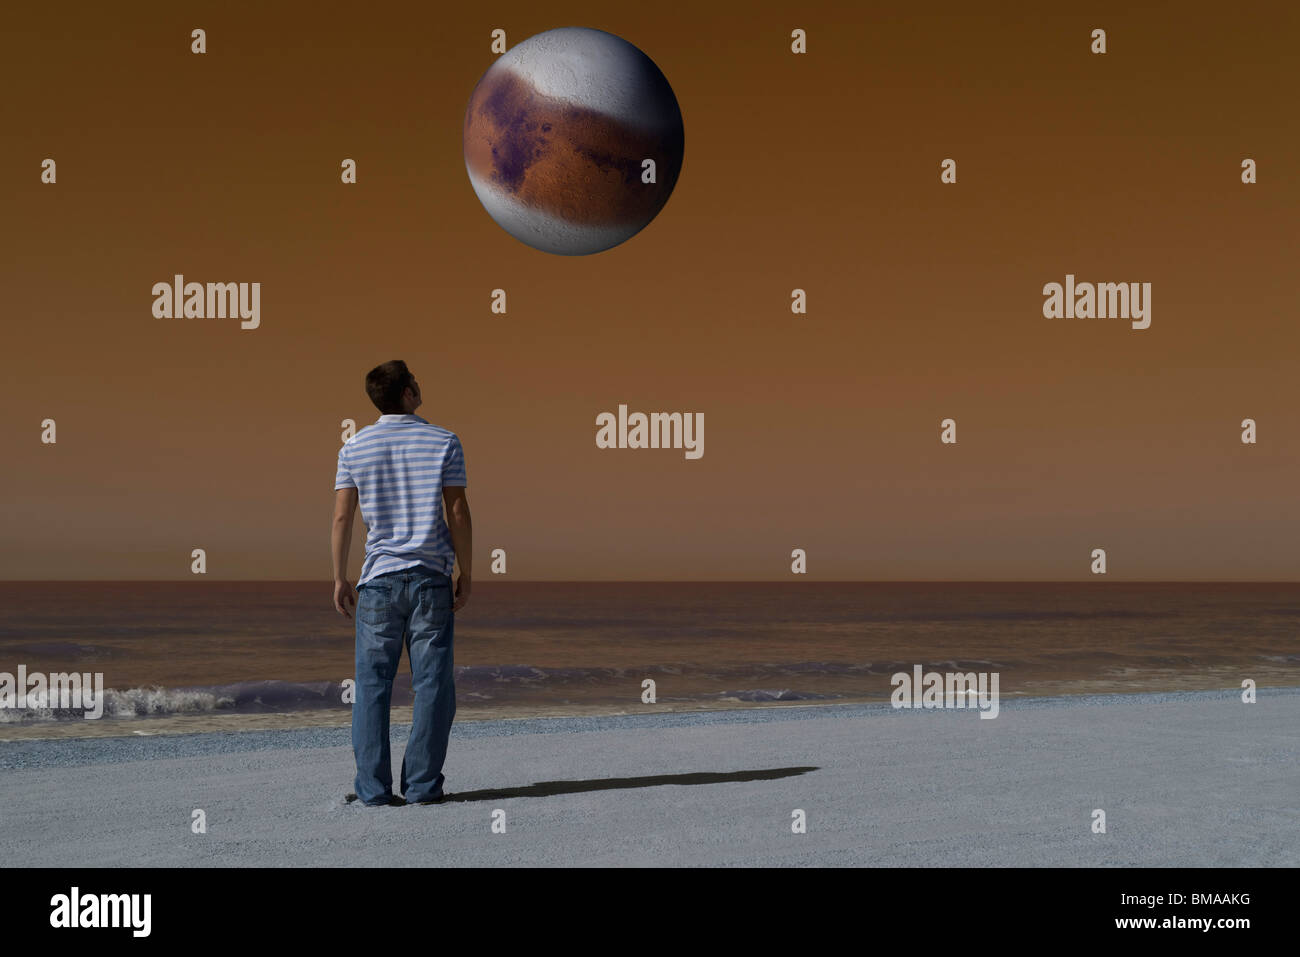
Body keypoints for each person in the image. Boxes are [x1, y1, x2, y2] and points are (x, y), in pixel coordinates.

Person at [330, 360, 472, 806]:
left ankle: (373, 791)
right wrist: (466, 571)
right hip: (430, 580)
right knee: (432, 686)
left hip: (377, 582)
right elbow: (458, 512)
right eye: (416, 380)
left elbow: (342, 517)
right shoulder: (444, 440)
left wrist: (339, 576)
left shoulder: (354, 447)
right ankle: (423, 788)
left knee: (371, 687)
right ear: (408, 393)